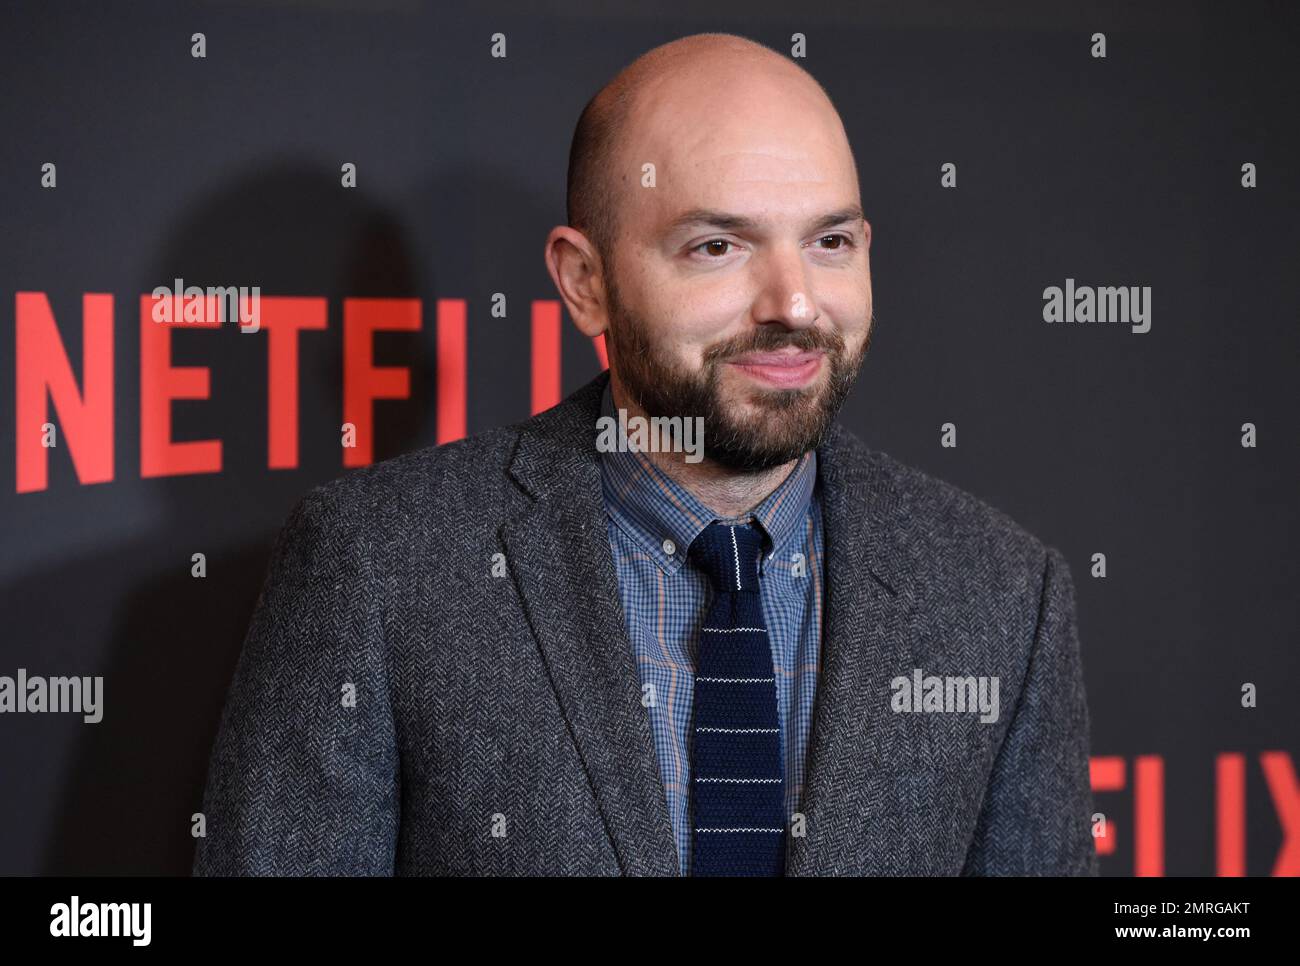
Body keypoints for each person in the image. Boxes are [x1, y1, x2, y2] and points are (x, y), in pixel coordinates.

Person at [193, 32, 1097, 876]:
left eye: (829, 241)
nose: (793, 302)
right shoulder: (379, 564)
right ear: (586, 283)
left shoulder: (1003, 595)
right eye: (717, 246)